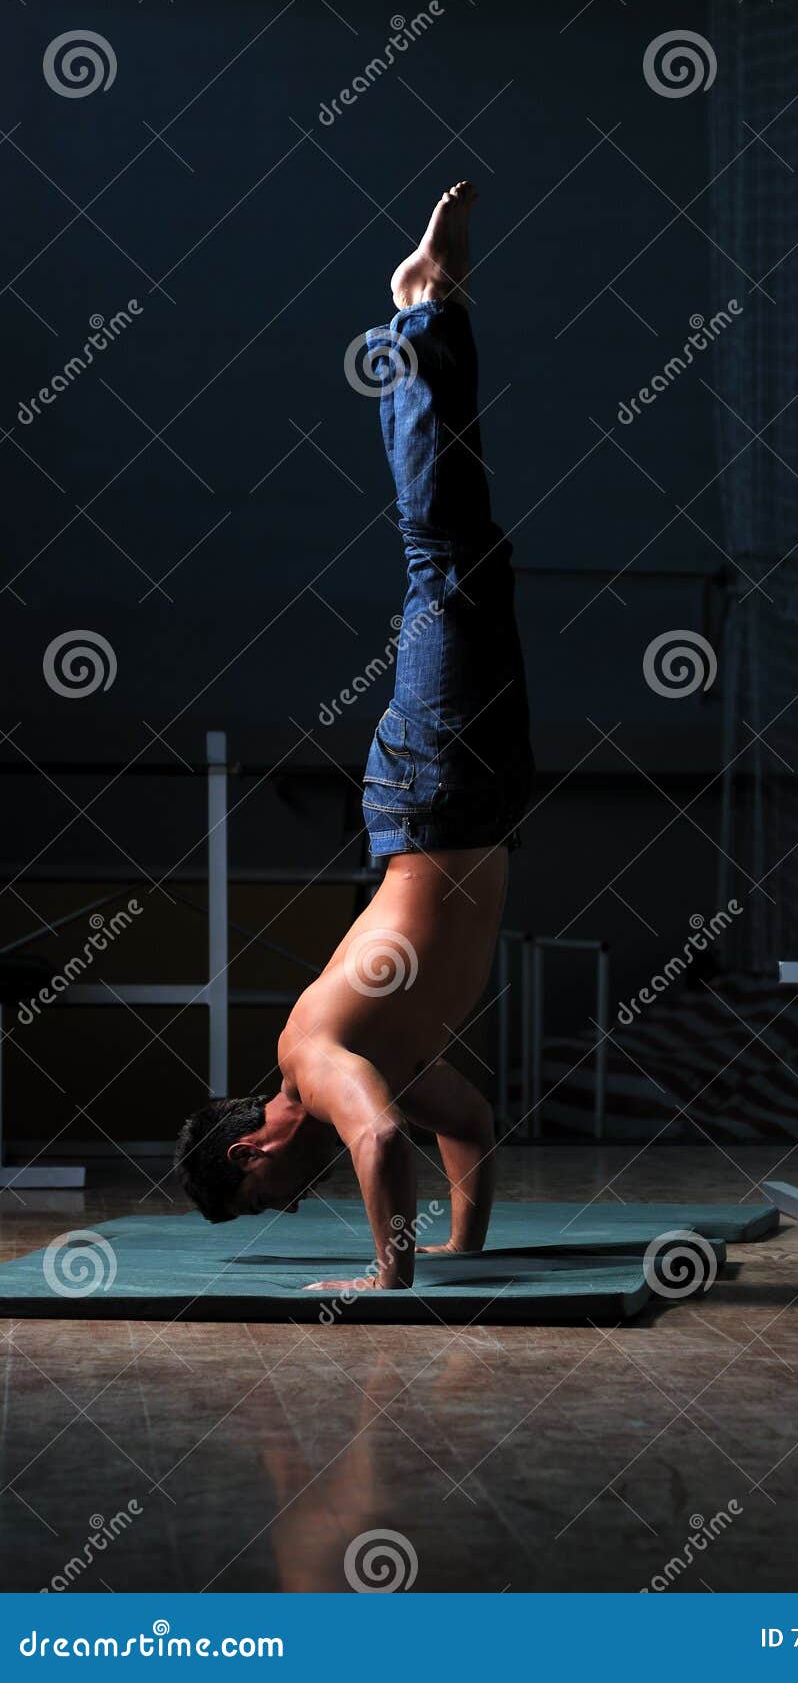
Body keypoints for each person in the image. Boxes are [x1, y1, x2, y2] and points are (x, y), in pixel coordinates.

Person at [174, 182, 534, 1290]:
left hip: (434, 796)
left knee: (446, 559)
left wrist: (390, 1276)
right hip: (468, 803)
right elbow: (464, 1120)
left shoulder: (315, 1059)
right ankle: (425, 312)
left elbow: (382, 1142)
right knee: (470, 559)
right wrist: (461, 1249)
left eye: (267, 1198)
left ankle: (420, 307)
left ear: (254, 1150)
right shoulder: (374, 1059)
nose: (290, 1202)